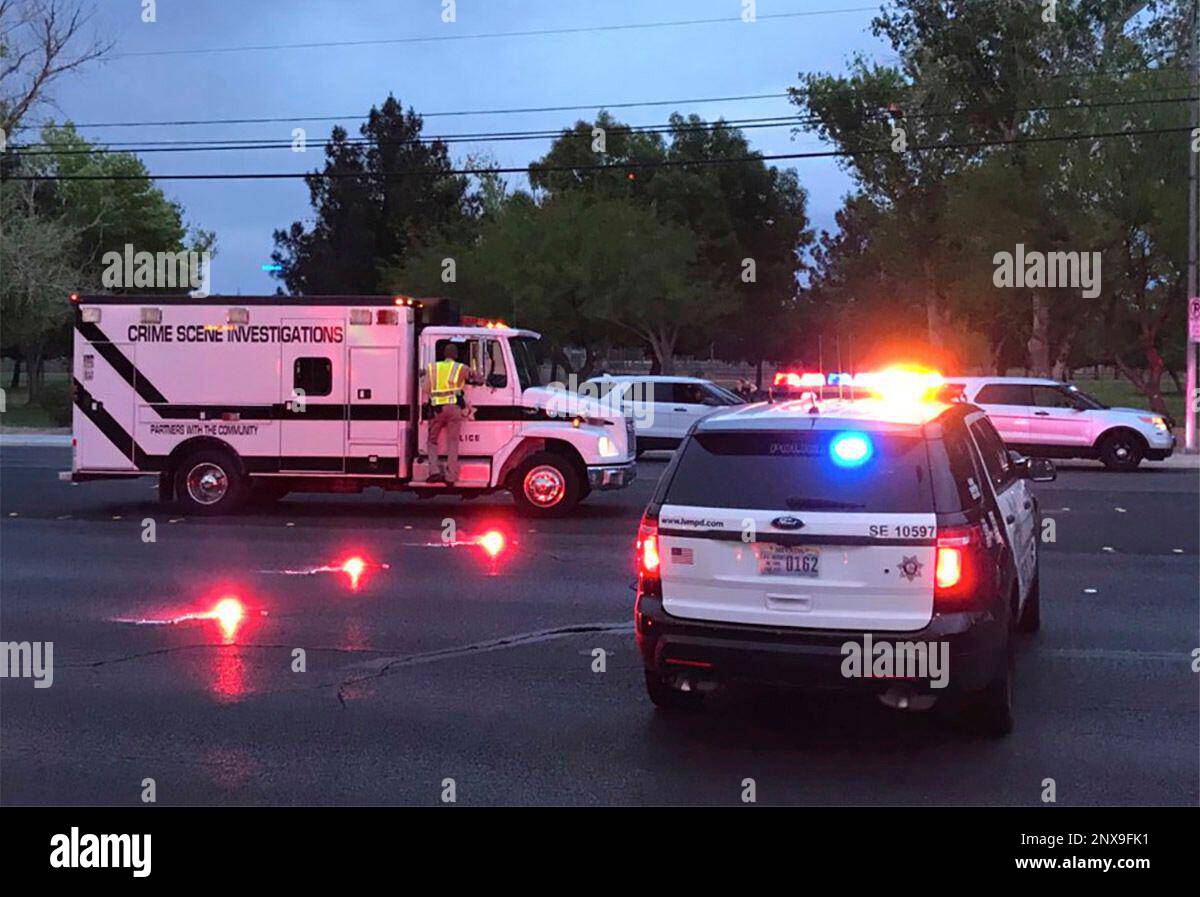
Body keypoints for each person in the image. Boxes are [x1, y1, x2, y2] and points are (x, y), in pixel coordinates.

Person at [422, 343, 471, 484]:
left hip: (437, 409)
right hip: (454, 409)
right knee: (453, 442)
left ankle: (434, 472)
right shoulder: (461, 368)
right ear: (456, 355)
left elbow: (425, 389)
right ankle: (451, 477)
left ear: (444, 354)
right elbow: (477, 378)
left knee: (432, 441)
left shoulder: (432, 368)